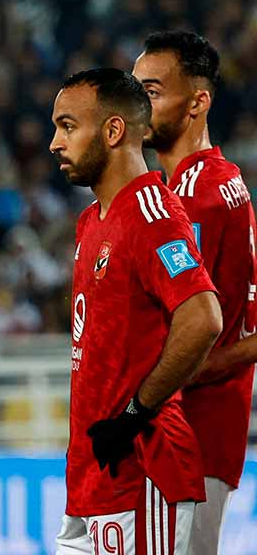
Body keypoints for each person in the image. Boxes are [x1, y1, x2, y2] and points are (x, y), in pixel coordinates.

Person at [49, 68, 223, 555]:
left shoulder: (152, 214)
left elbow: (203, 316)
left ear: (112, 131)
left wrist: (133, 413)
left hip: (143, 473)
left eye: (66, 126)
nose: (54, 143)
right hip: (92, 479)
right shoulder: (91, 221)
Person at [133, 32, 257, 554]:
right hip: (208, 433)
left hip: (187, 434)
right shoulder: (224, 182)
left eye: (154, 92)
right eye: (135, 90)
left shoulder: (189, 198)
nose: (140, 105)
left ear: (198, 102)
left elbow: (183, 322)